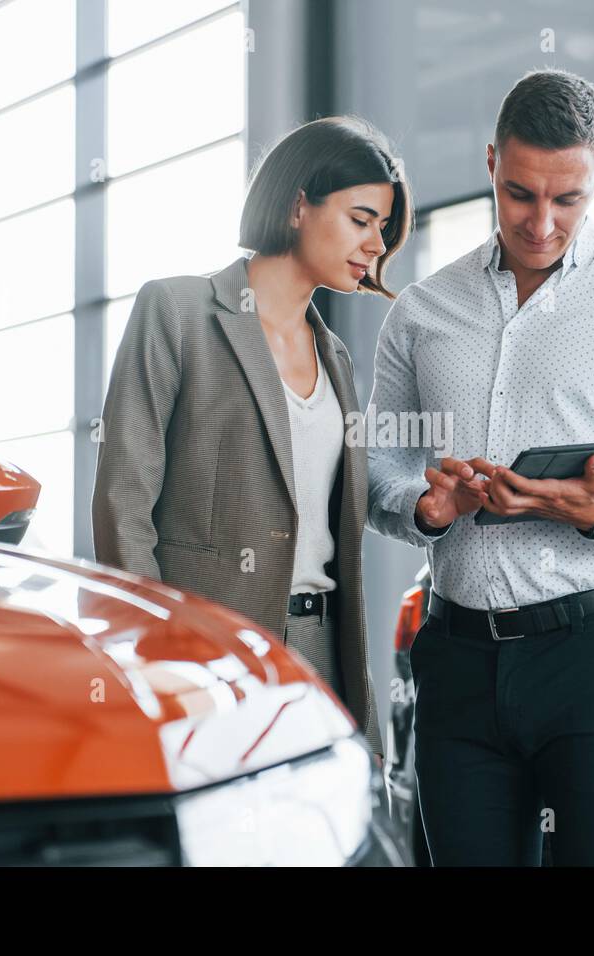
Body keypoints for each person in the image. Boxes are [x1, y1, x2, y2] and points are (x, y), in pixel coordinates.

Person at [366, 68, 594, 864]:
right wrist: (428, 509)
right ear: (491, 163)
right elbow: (378, 471)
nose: (540, 222)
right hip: (458, 658)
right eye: (520, 193)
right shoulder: (421, 312)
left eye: (567, 199)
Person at [93, 116, 413, 766]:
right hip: (206, 654)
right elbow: (123, 508)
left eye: (382, 228)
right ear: (299, 204)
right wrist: (161, 656)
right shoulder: (176, 314)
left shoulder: (339, 358)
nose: (376, 244)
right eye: (360, 219)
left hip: (324, 655)